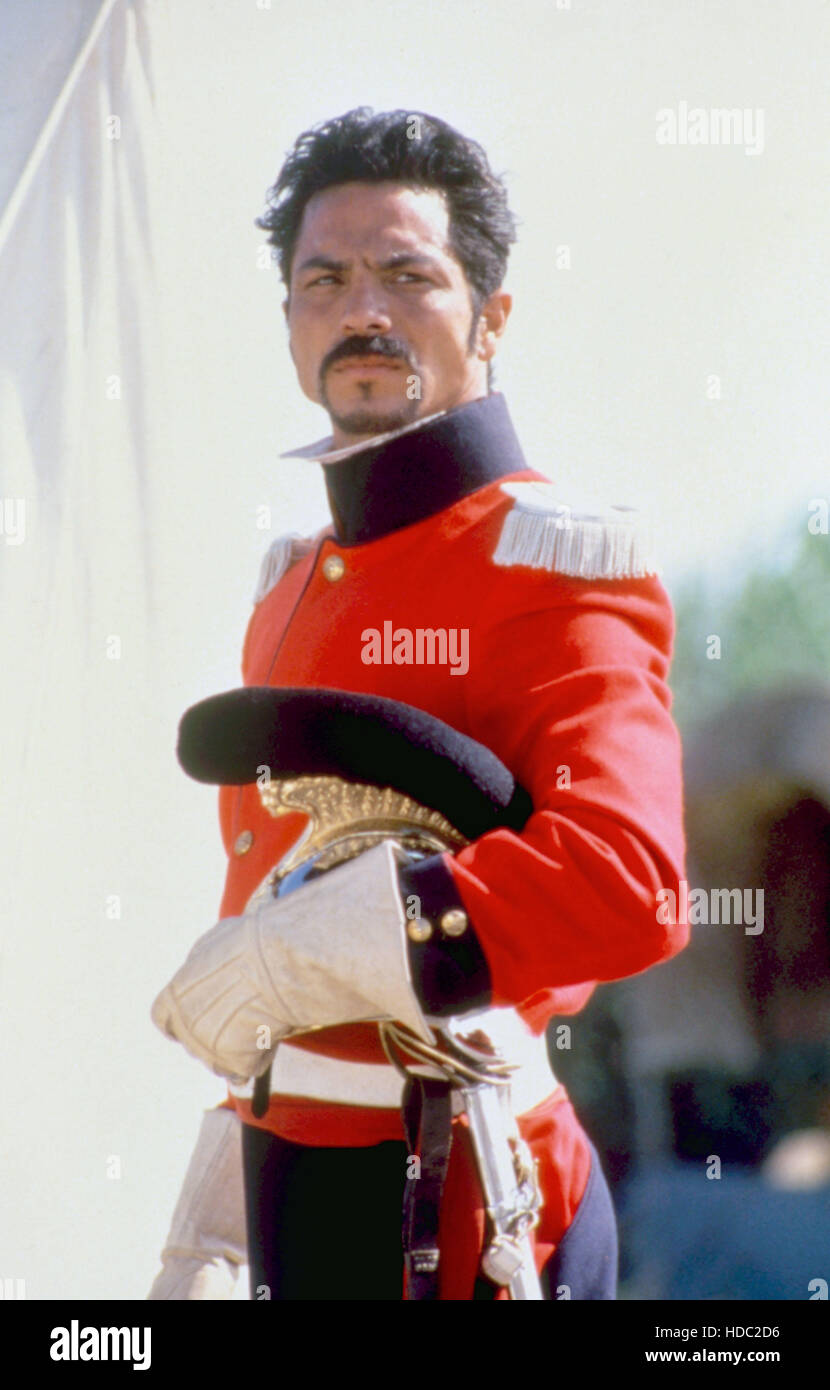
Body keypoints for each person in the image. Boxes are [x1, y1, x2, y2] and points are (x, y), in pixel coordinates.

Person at [148, 106, 688, 1301]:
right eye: (324, 279)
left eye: (408, 274)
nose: (363, 312)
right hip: (298, 1181)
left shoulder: (553, 559)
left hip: (462, 1199)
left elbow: (629, 883)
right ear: (289, 320)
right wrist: (247, 1128)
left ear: (492, 317)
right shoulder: (291, 580)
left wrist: (310, 958)